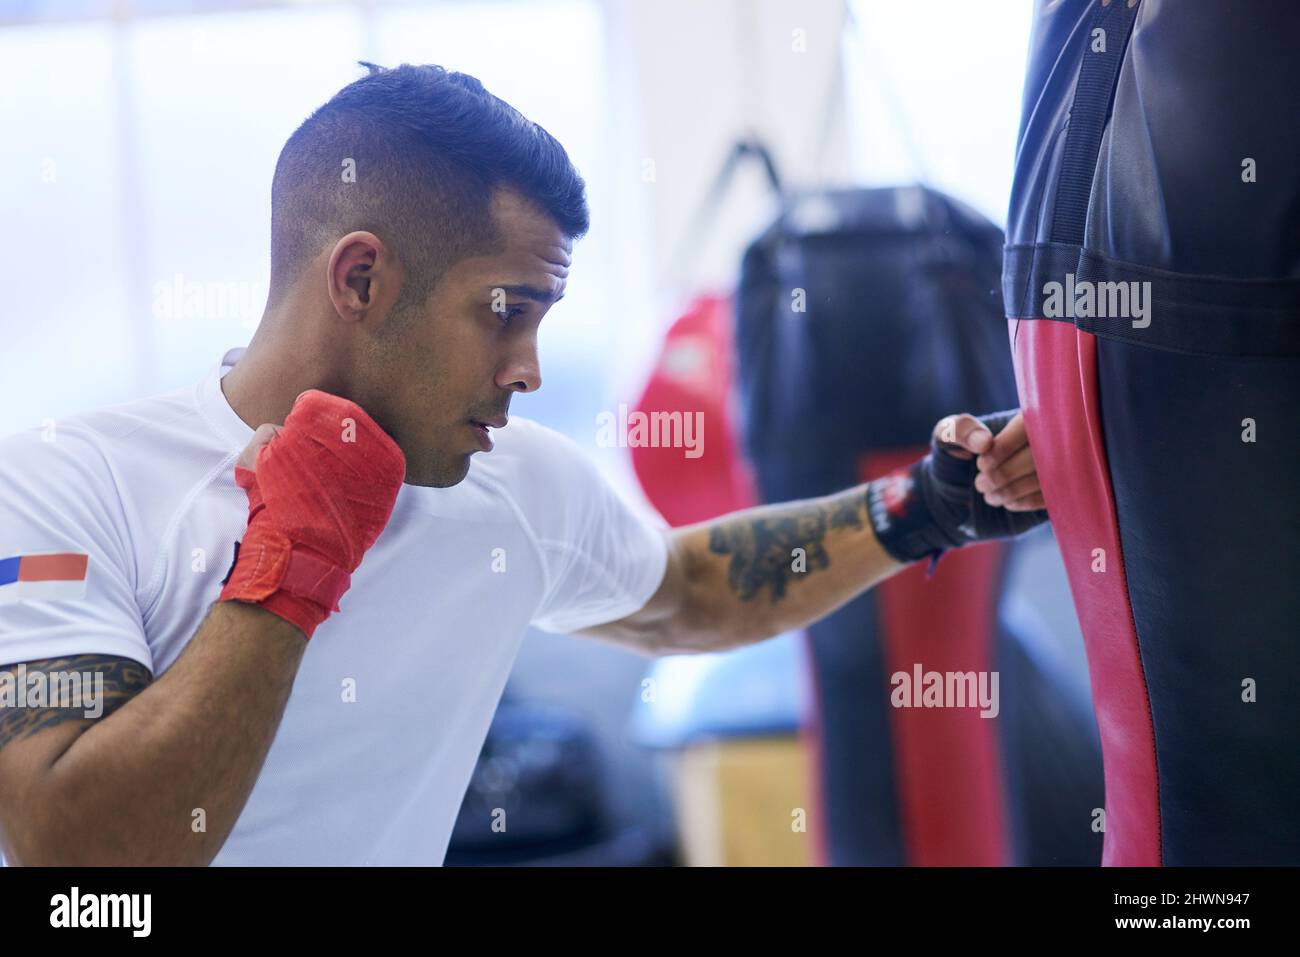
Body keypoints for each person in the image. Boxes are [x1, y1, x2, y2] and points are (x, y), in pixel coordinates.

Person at [0, 63, 1045, 866]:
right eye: (505, 311)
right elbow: (79, 854)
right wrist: (295, 561)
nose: (530, 370)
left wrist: (926, 505)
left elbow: (682, 589)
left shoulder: (508, 482)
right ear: (359, 278)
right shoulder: (60, 490)